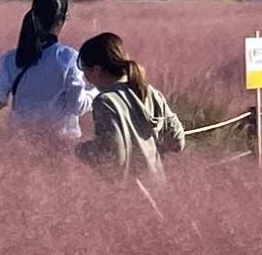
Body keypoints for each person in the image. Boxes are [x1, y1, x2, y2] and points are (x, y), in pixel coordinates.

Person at [75, 32, 188, 179]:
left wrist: (80, 150)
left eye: (85, 71)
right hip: (158, 189)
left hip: (128, 194)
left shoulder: (105, 101)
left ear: (97, 70)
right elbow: (178, 142)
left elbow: (113, 157)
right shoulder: (151, 92)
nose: (86, 78)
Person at [0, 0, 95, 142]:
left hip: (20, 141)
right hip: (61, 143)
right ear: (61, 21)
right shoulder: (68, 58)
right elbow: (76, 106)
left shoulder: (10, 58)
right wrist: (95, 94)